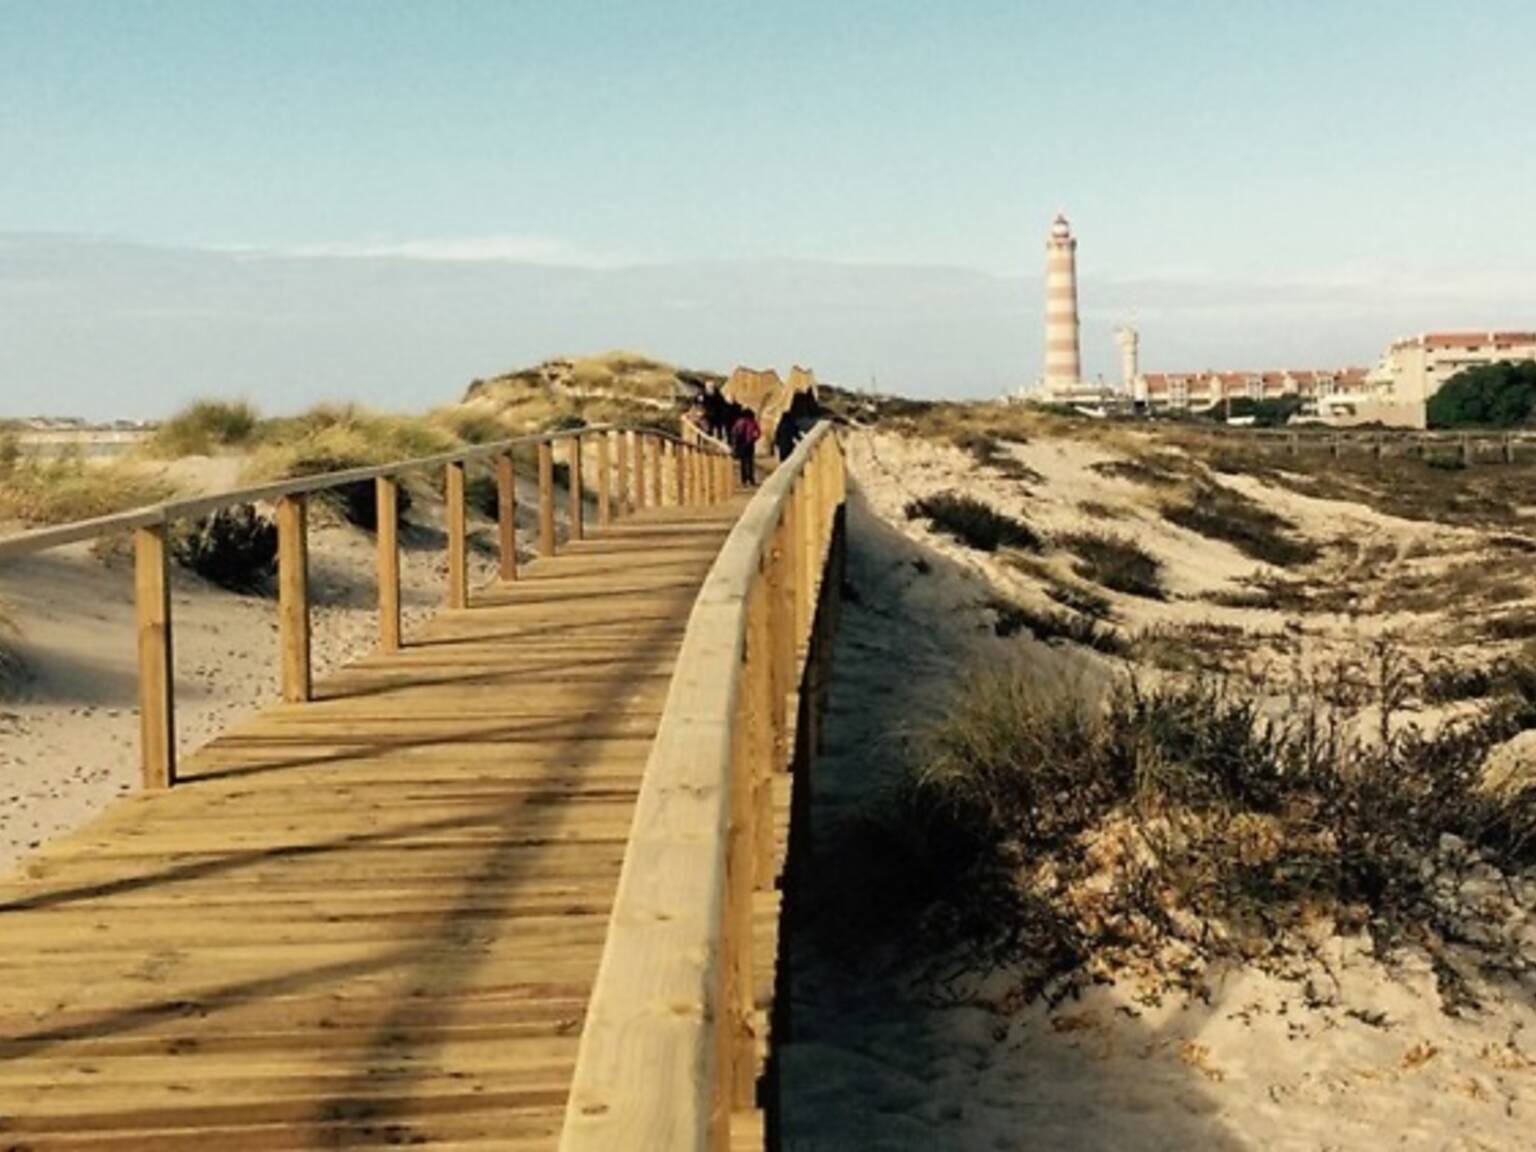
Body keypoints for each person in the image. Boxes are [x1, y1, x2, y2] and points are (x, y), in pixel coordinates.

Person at [731, 407, 761, 486]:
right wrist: (754, 439)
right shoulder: (753, 422)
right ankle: (751, 479)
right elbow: (758, 433)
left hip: (741, 444)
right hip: (750, 444)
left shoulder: (739, 422)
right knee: (750, 462)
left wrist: (735, 443)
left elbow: (734, 432)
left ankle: (744, 480)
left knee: (743, 462)